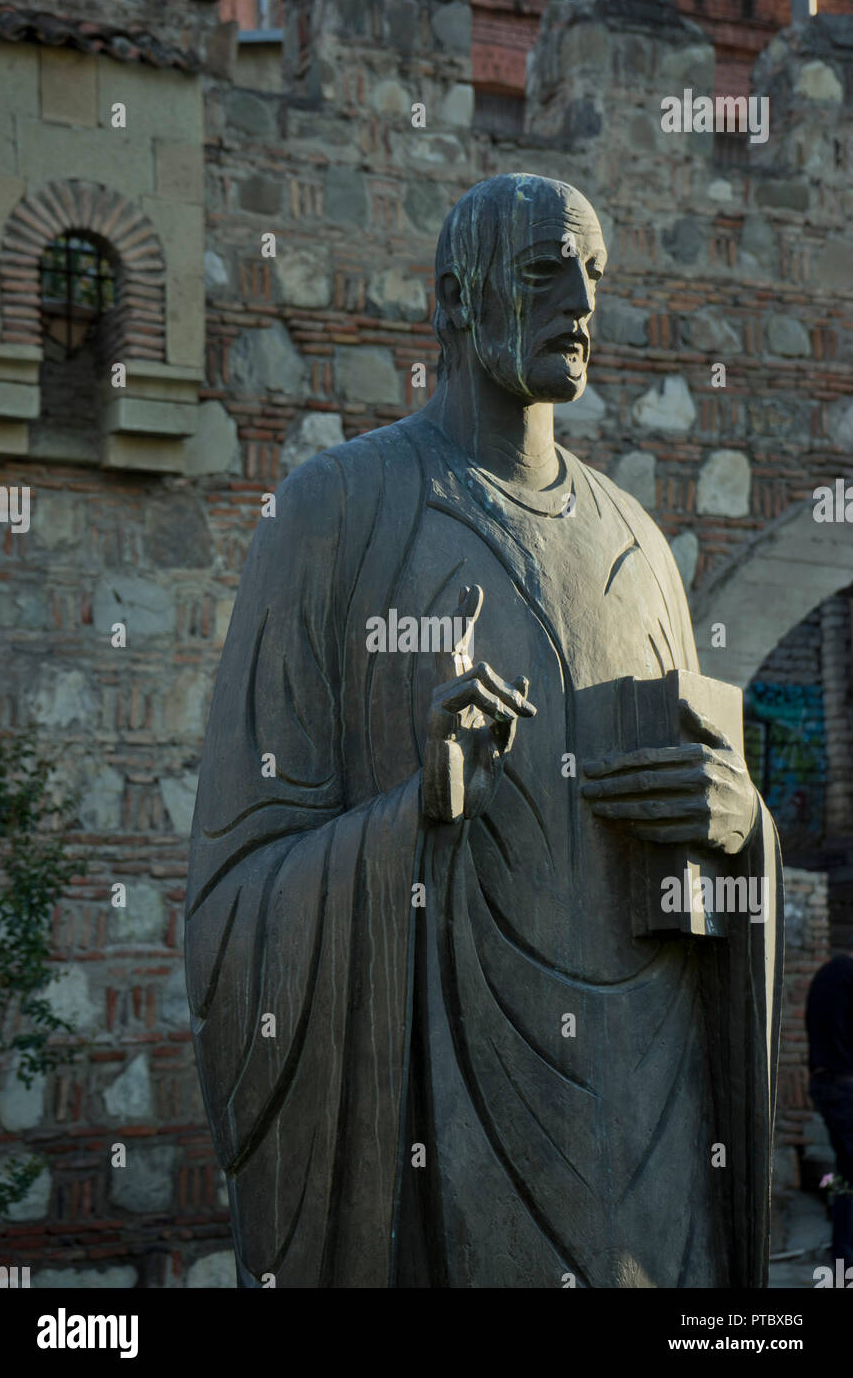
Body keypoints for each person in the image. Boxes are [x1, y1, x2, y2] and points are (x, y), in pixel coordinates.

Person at [185, 174, 783, 1287]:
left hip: (651, 1129)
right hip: (440, 1125)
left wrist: (739, 831)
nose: (581, 301)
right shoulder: (336, 513)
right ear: (456, 301)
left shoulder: (640, 547)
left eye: (594, 274)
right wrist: (411, 814)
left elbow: (709, 853)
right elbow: (230, 897)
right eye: (545, 269)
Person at [807, 954, 853, 1269]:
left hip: (823, 1086)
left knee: (845, 1174)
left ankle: (842, 1254)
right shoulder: (847, 977)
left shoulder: (826, 974)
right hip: (845, 1089)